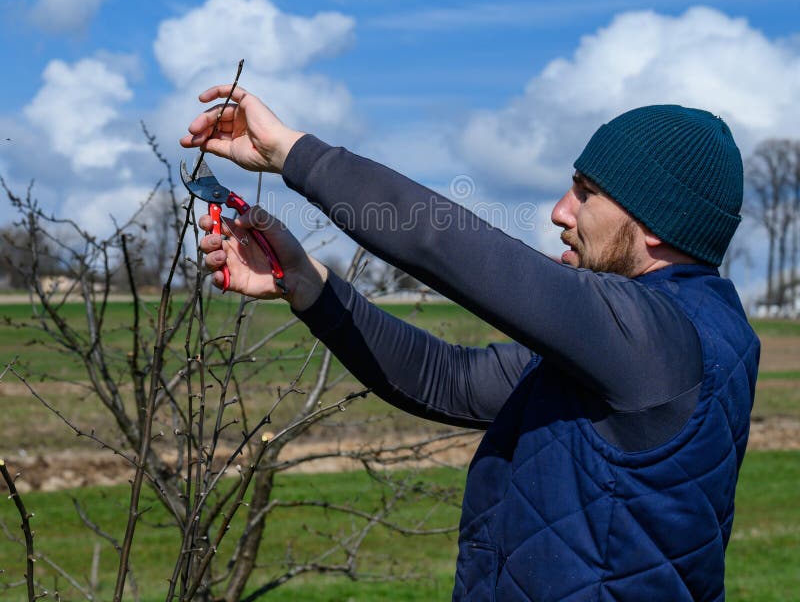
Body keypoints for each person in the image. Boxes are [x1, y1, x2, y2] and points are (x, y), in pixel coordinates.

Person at [181, 86, 759, 602]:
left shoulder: (655, 343)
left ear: (654, 223)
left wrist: (291, 153)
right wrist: (308, 284)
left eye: (586, 194)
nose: (560, 212)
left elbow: (439, 241)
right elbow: (449, 380)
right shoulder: (644, 344)